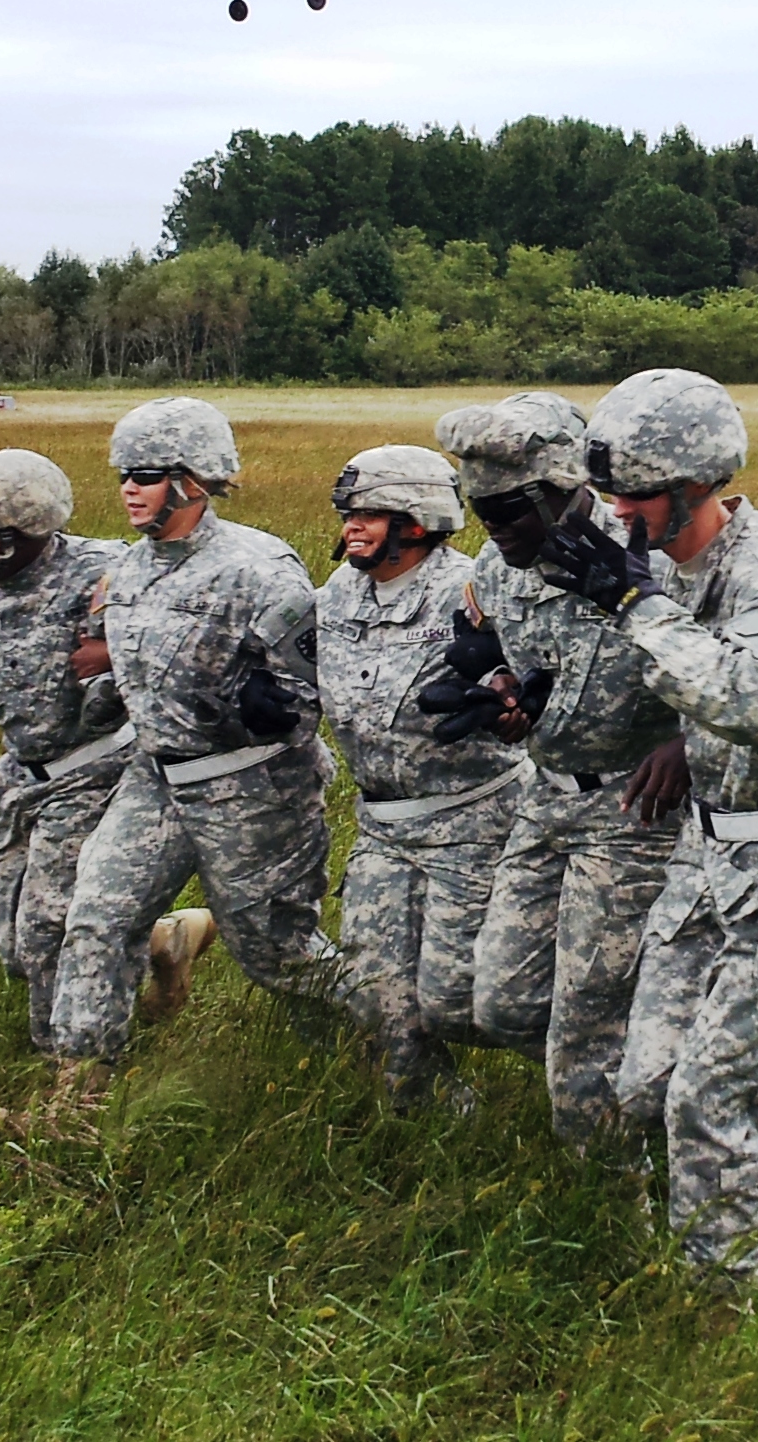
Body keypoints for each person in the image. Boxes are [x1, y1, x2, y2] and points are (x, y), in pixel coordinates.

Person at [539, 367, 758, 1286]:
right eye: (607, 494)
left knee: (700, 1101)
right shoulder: (664, 565)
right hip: (708, 852)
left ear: (693, 487)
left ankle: (722, 1297)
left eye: (634, 496)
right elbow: (681, 690)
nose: (616, 514)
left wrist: (636, 608)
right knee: (647, 1085)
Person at [48, 398, 334, 1111]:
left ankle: (380, 1066)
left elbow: (314, 687)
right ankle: (75, 1101)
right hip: (156, 780)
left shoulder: (260, 568)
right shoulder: (130, 572)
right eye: (123, 474)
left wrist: (270, 709)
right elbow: (131, 672)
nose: (127, 489)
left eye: (145, 474)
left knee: (280, 957)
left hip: (252, 791)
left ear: (194, 482)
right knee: (97, 918)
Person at [432, 392, 689, 1144]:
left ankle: (622, 1206)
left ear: (565, 486)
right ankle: (714, 1047)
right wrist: (507, 696)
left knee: (585, 1034)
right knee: (502, 1004)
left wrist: (687, 743)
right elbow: (523, 670)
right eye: (481, 512)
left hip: (633, 813)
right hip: (546, 804)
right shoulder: (496, 565)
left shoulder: (649, 554)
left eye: (513, 510)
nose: (497, 529)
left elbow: (723, 674)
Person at [0, 448, 214, 1059]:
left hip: (101, 769)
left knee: (48, 929)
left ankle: (66, 1074)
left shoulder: (111, 572)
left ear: (31, 532)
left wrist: (112, 660)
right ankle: (166, 939)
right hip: (22, 778)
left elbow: (180, 651)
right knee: (14, 946)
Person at [315, 445, 533, 1109]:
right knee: (380, 1000)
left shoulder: (474, 592)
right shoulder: (335, 598)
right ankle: (434, 1124)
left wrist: (508, 706)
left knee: (459, 999)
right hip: (382, 827)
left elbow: (537, 691)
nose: (353, 525)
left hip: (471, 822)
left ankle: (614, 1048)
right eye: (349, 513)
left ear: (417, 522)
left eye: (370, 514)